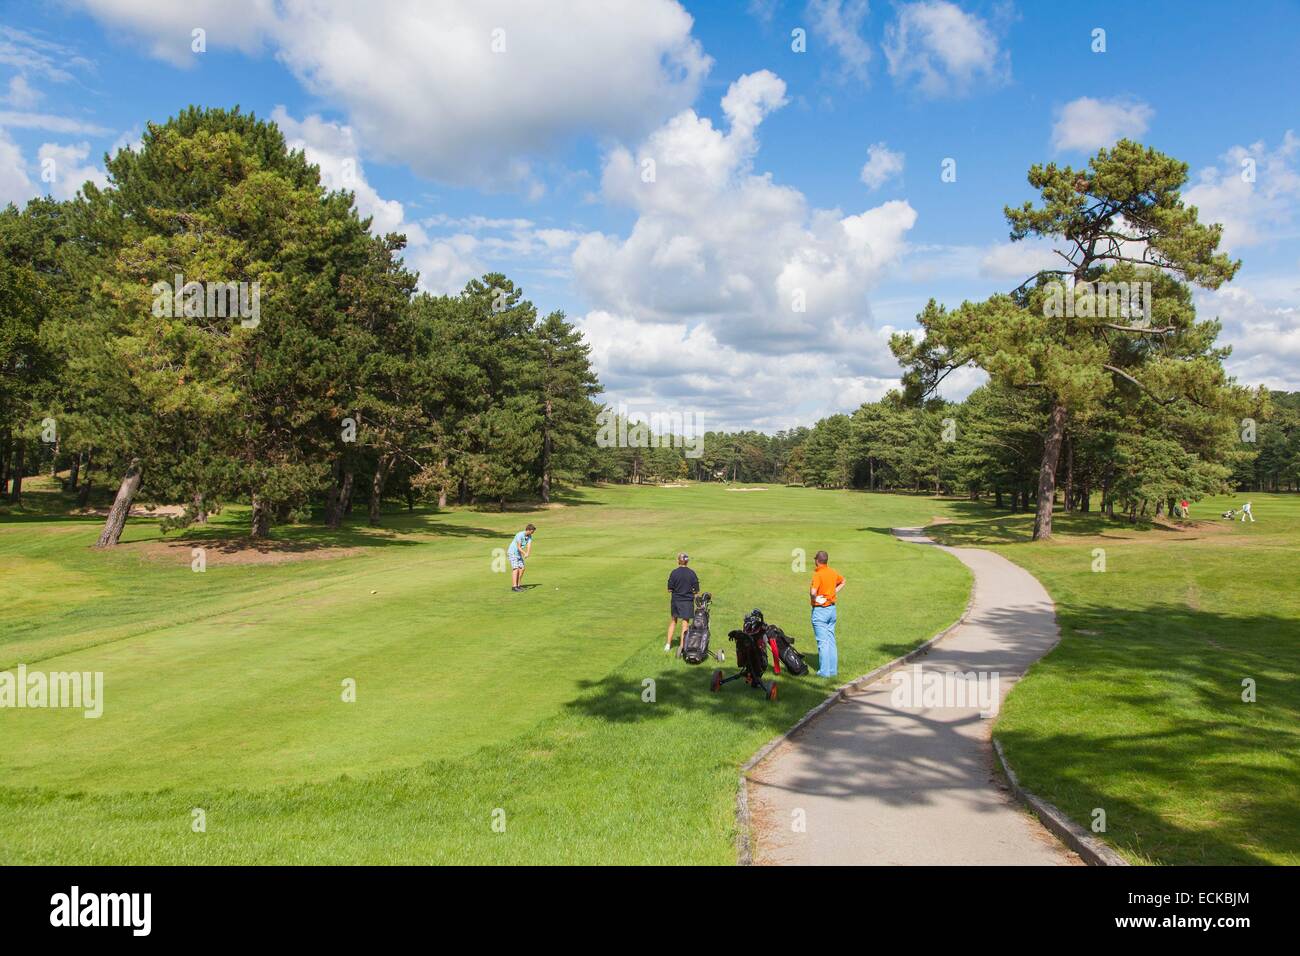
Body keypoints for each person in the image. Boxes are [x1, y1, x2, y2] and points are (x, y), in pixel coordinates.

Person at [809, 550, 845, 678]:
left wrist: (815, 599)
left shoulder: (817, 574)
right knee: (831, 640)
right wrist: (833, 593)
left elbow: (813, 591)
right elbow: (843, 581)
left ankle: (824, 673)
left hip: (820, 611)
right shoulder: (832, 572)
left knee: (822, 643)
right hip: (831, 610)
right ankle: (833, 671)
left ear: (817, 561)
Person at [665, 552, 700, 654]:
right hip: (687, 601)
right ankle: (681, 646)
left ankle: (668, 644)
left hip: (676, 600)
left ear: (678, 561)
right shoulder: (692, 573)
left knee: (673, 621)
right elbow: (696, 590)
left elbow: (669, 589)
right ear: (687, 561)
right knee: (685, 624)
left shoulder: (674, 573)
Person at [507, 523, 535, 591]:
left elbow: (529, 545)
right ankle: (514, 587)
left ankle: (518, 585)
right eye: (532, 531)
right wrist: (525, 553)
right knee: (515, 568)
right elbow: (518, 547)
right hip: (512, 552)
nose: (532, 533)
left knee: (522, 568)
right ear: (528, 530)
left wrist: (528, 553)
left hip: (518, 554)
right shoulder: (519, 535)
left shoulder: (529, 536)